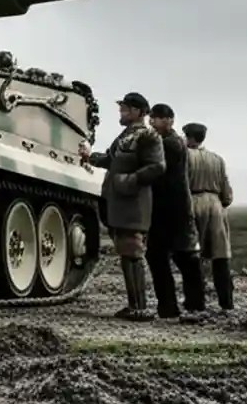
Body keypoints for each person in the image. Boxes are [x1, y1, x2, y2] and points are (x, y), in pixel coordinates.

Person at [79, 92, 166, 321]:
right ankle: (135, 305)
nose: (121, 113)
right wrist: (90, 157)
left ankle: (139, 307)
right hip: (119, 202)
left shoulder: (148, 137)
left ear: (138, 112)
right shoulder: (127, 136)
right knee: (127, 253)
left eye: (125, 109)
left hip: (133, 203)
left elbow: (156, 167)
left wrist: (128, 181)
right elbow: (111, 159)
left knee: (133, 253)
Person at [146, 103, 208, 321]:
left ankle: (183, 305)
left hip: (173, 209)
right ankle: (185, 304)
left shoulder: (170, 144)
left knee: (177, 258)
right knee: (174, 257)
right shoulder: (169, 142)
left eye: (158, 118)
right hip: (168, 209)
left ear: (170, 120)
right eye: (151, 117)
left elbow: (154, 167)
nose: (152, 121)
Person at [183, 122, 235, 311]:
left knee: (192, 256)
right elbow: (227, 194)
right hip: (216, 206)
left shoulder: (185, 157)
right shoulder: (217, 159)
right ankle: (226, 301)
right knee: (220, 257)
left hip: (193, 203)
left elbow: (182, 184)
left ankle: (196, 303)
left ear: (187, 136)